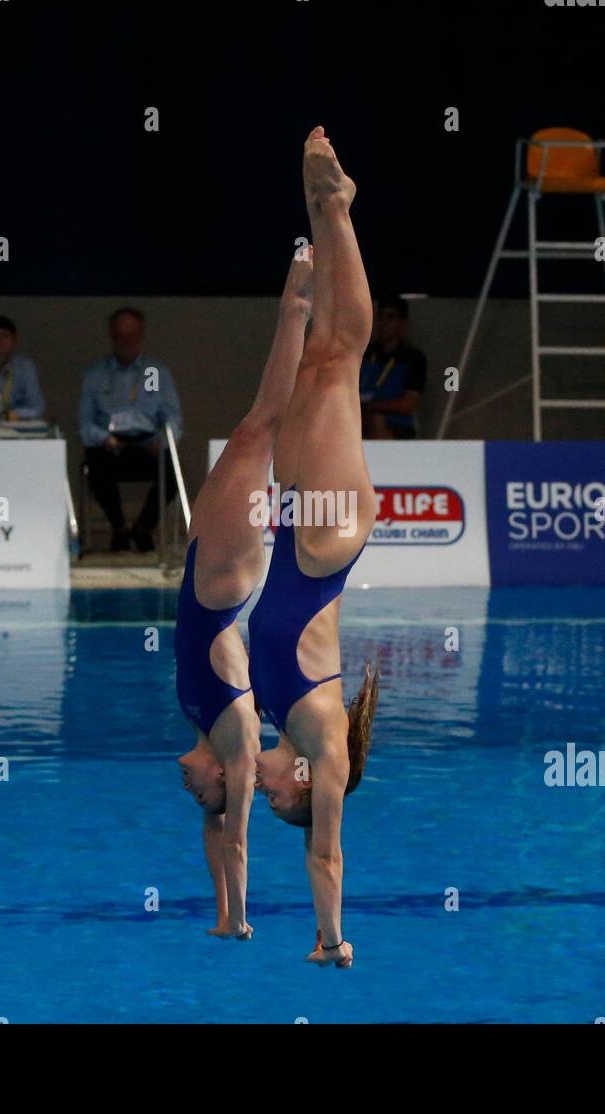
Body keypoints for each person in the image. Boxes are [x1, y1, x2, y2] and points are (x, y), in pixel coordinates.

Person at [248, 128, 380, 969]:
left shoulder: (270, 713)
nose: (255, 791)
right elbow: (325, 855)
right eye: (270, 801)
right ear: (301, 787)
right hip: (328, 540)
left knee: (309, 372)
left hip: (303, 528)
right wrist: (331, 939)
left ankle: (314, 248)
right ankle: (338, 211)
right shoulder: (324, 751)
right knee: (338, 363)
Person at [175, 249, 313, 941]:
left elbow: (212, 833)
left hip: (208, 570)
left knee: (258, 428)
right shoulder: (237, 735)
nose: (187, 788)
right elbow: (233, 838)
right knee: (263, 424)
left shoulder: (204, 722)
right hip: (225, 578)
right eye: (201, 794)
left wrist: (225, 919)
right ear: (225, 780)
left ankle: (302, 303)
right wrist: (247, 912)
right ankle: (300, 297)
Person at [78, 308, 184, 552]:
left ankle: (143, 526)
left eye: (132, 336)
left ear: (141, 336)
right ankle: (119, 527)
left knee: (173, 471)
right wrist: (104, 439)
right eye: (120, 336)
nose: (126, 342)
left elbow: (173, 418)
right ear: (112, 336)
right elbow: (85, 425)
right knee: (95, 465)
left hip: (147, 443)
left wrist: (164, 441)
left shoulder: (155, 373)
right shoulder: (96, 375)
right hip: (110, 445)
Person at [359, 296, 426, 439]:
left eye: (390, 317)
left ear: (403, 324)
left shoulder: (413, 358)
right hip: (359, 419)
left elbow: (409, 403)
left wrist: (372, 406)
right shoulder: (364, 353)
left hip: (396, 426)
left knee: (377, 420)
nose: (383, 323)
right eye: (380, 317)